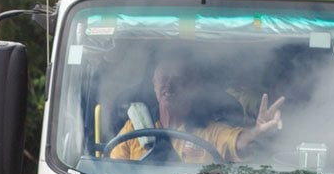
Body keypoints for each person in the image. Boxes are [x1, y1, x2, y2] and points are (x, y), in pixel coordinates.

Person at [108, 52, 284, 162]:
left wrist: (256, 132)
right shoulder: (136, 128)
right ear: (154, 84)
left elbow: (239, 142)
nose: (169, 84)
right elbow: (114, 171)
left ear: (193, 87)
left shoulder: (210, 131)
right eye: (163, 77)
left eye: (178, 78)